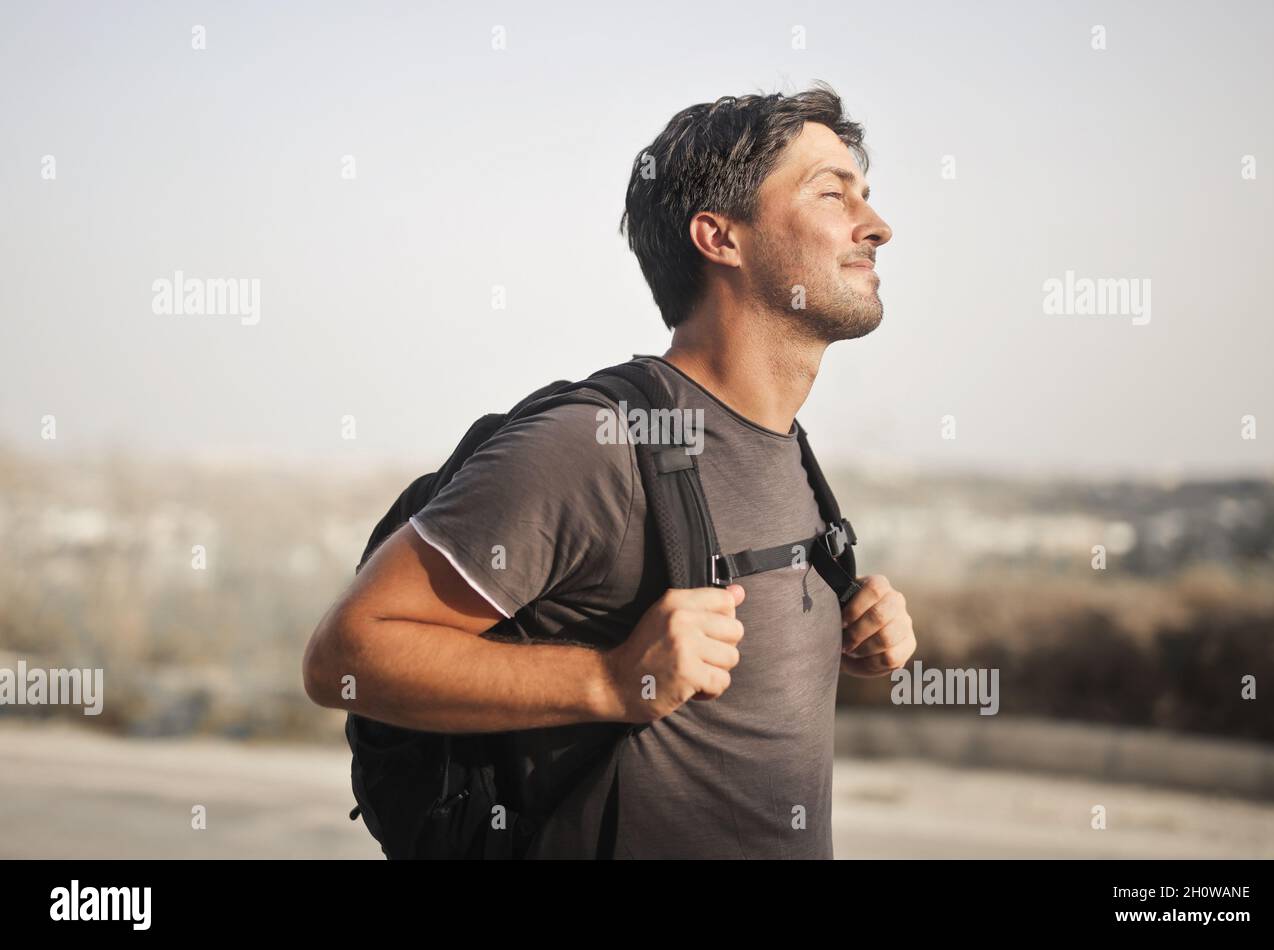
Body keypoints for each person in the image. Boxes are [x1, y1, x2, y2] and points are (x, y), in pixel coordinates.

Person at [303, 81, 917, 859]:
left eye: (866, 195)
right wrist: (609, 680)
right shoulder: (593, 448)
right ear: (719, 236)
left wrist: (842, 627)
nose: (878, 226)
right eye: (834, 195)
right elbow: (345, 656)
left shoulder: (788, 447)